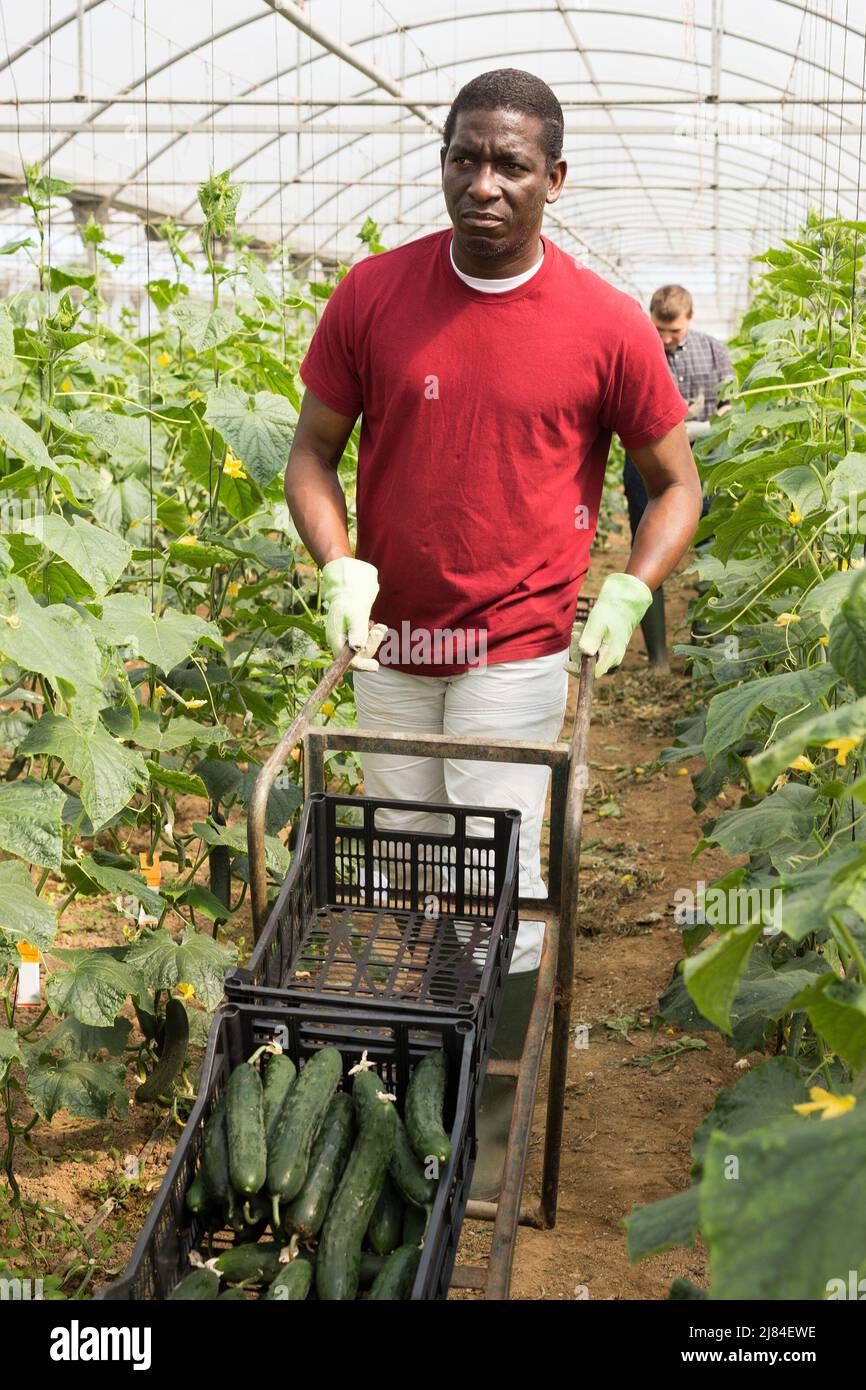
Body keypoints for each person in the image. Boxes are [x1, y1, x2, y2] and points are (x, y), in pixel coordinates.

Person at [285, 69, 702, 1200]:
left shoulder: (606, 324)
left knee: (502, 893)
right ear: (443, 163)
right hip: (393, 652)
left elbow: (673, 483)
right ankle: (412, 1099)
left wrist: (631, 586)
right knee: (404, 881)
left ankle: (483, 1139)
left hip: (514, 655)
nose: (482, 182)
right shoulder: (374, 294)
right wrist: (340, 561)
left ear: (552, 181)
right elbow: (311, 452)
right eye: (463, 157)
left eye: (509, 164)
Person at [622, 284, 733, 669]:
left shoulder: (714, 350)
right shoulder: (640, 347)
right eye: (660, 330)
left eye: (675, 332)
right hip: (647, 465)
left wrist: (713, 420)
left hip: (707, 462)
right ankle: (658, 659)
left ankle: (701, 652)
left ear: (690, 320)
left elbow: (728, 404)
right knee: (649, 548)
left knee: (710, 553)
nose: (667, 340)